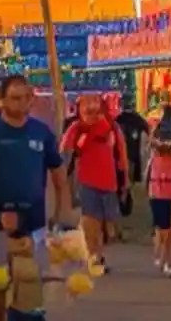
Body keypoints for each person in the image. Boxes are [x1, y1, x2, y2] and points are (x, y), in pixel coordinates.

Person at [0, 75, 69, 321]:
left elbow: (59, 177)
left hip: (34, 226)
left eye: (27, 97)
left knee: (30, 291)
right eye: (15, 98)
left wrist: (59, 214)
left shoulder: (41, 133)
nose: (22, 103)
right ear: (1, 101)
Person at [60, 95, 127, 269]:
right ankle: (94, 256)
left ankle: (97, 252)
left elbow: (121, 152)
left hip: (109, 182)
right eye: (87, 108)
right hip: (86, 181)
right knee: (91, 220)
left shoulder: (111, 127)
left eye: (95, 108)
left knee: (108, 225)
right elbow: (64, 151)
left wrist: (125, 178)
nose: (91, 112)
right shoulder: (77, 128)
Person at [146, 140, 171, 278]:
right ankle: (163, 257)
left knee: (168, 230)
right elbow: (147, 178)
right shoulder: (154, 160)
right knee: (161, 229)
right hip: (157, 196)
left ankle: (167, 260)